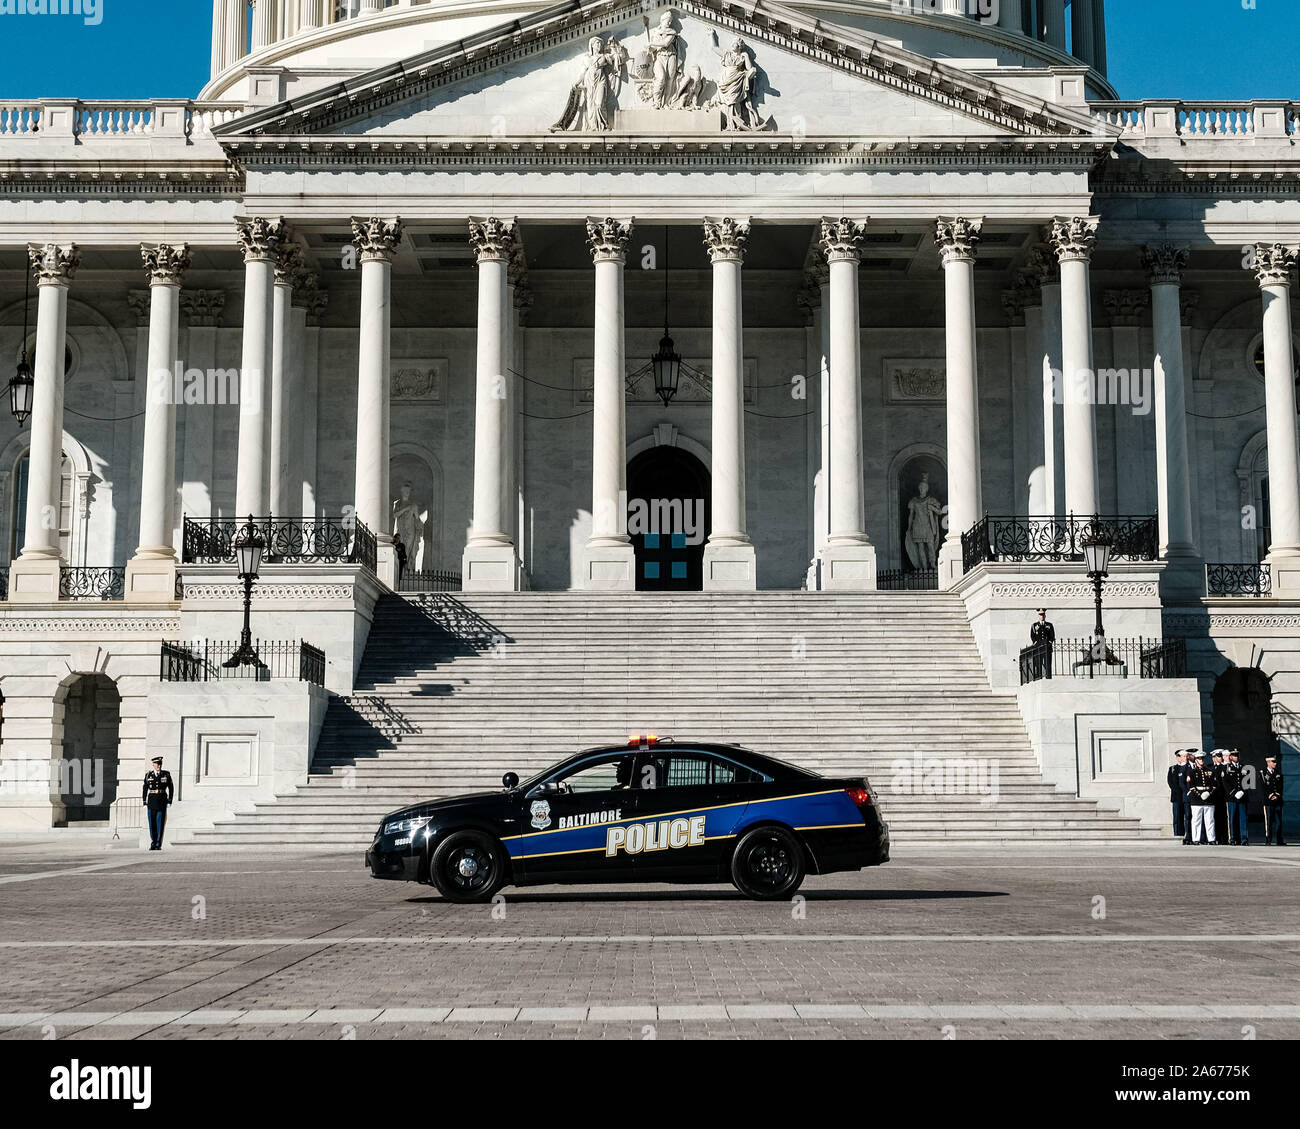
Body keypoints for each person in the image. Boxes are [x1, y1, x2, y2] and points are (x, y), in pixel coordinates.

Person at [142, 755, 174, 851]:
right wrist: (144, 801)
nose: (159, 766)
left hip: (161, 801)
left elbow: (171, 788)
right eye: (157, 764)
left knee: (160, 823)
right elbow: (145, 788)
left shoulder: (166, 774)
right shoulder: (148, 775)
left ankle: (158, 843)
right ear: (153, 764)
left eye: (160, 764)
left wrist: (169, 800)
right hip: (151, 802)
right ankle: (153, 842)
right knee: (152, 824)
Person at [1186, 752, 1218, 846]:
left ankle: (1211, 838)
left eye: (1202, 759)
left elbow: (1214, 785)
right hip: (1196, 799)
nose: (1201, 761)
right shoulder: (1191, 772)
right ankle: (1196, 839)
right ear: (1196, 760)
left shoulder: (1210, 771)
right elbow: (1191, 786)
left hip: (1209, 798)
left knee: (1210, 820)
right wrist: (1200, 795)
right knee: (1196, 820)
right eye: (1199, 759)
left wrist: (1208, 793)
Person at [1223, 749, 1249, 846]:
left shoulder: (1244, 767)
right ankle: (1232, 838)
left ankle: (1244, 838)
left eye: (1237, 755)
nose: (1236, 757)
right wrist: (1234, 792)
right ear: (1230, 757)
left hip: (1242, 797)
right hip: (1232, 797)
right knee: (1232, 818)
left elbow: (1248, 781)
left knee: (1243, 818)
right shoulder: (1226, 768)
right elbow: (1225, 783)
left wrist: (1243, 791)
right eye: (1234, 755)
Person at [1262, 755, 1285, 846]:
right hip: (1268, 801)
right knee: (1269, 822)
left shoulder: (1278, 773)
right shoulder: (1263, 773)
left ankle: (1279, 839)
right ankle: (1268, 839)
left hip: (1277, 801)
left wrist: (1277, 795)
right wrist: (1271, 795)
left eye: (1275, 762)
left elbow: (1280, 786)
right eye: (1273, 762)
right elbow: (1263, 787)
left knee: (1279, 822)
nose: (1275, 763)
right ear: (1268, 762)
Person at [1167, 750, 1190, 840]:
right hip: (1177, 797)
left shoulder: (1189, 767)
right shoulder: (1172, 769)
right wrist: (1179, 791)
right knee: (1177, 818)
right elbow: (1171, 783)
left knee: (1187, 817)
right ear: (1178, 757)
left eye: (1186, 756)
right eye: (1183, 756)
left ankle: (1188, 836)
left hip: (1186, 796)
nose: (1185, 758)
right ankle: (1178, 835)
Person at [1211, 750, 1230, 844]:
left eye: (1221, 756)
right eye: (1218, 756)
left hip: (1222, 796)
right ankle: (1217, 837)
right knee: (1215, 818)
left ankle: (1224, 838)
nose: (1220, 758)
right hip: (1214, 797)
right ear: (1214, 758)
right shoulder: (1210, 768)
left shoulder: (1224, 767)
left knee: (1223, 818)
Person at [1030, 608, 1055, 679]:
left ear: (1045, 616)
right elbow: (1032, 636)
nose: (1042, 617)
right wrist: (1036, 643)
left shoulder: (1049, 625)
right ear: (1038, 616)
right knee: (1038, 664)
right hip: (1038, 649)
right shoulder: (1034, 625)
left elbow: (1052, 636)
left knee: (1048, 664)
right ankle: (1039, 678)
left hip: (1047, 648)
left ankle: (1048, 678)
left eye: (1043, 615)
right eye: (1040, 615)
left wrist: (1049, 643)